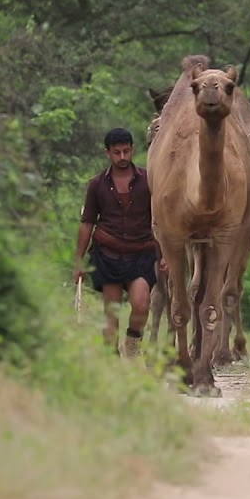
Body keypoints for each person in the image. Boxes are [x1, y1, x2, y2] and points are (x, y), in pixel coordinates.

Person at [74, 127, 161, 357]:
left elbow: (160, 220)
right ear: (107, 154)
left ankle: (131, 351)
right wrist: (79, 261)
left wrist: (166, 256)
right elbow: (87, 223)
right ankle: (111, 363)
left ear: (132, 150)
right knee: (111, 314)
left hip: (141, 253)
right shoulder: (97, 185)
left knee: (141, 305)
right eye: (116, 152)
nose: (122, 157)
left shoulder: (148, 181)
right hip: (107, 254)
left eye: (126, 151)